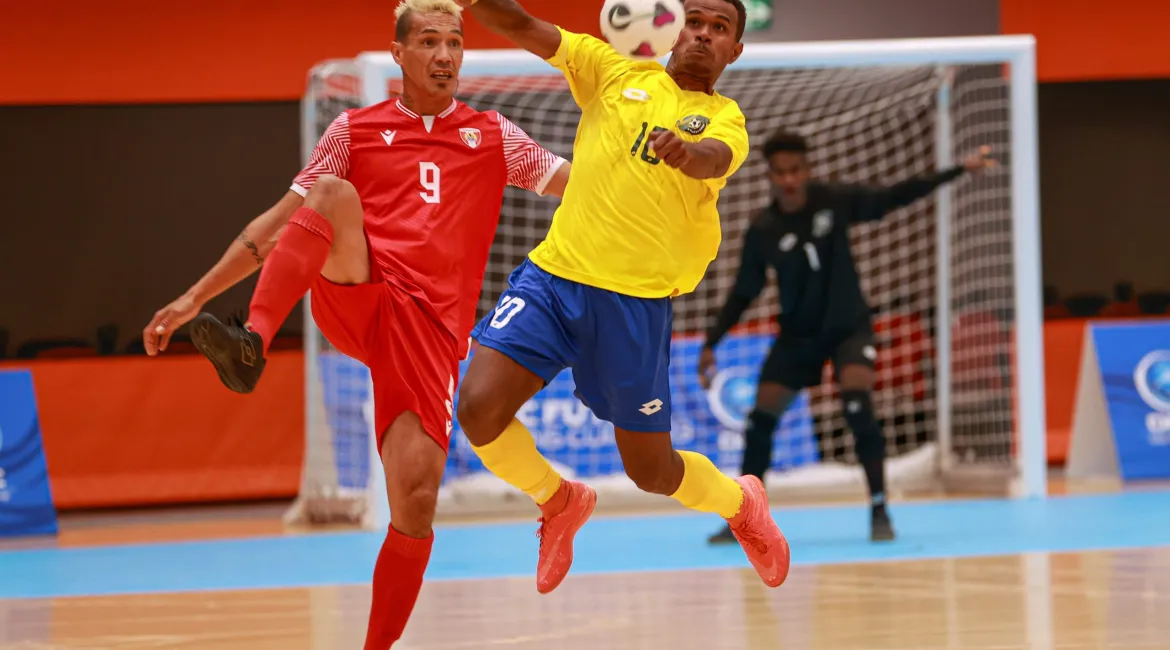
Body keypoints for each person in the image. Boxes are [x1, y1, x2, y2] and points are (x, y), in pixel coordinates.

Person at [142, 1, 569, 647]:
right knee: (332, 196)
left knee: (416, 504)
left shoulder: (494, 134)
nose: (445, 55)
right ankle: (253, 340)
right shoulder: (354, 130)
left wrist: (652, 168)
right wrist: (191, 296)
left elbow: (579, 185)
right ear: (398, 54)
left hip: (426, 335)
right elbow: (273, 225)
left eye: (454, 42)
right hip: (359, 295)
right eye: (428, 42)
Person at [449, 0, 790, 595]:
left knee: (652, 472)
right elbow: (525, 27)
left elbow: (718, 157)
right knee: (477, 408)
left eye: (719, 29)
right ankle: (558, 501)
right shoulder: (612, 70)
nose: (703, 35)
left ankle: (741, 504)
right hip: (555, 280)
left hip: (634, 306)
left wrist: (687, 154)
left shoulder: (723, 117)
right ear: (669, 27)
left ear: (734, 49)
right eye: (695, 21)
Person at [698, 129, 994, 544]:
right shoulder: (763, 228)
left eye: (796, 170)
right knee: (761, 420)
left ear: (807, 170)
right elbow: (744, 292)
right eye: (780, 172)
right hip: (798, 336)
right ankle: (744, 521)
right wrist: (712, 341)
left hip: (847, 328)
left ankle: (879, 508)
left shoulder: (833, 201)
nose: (789, 180)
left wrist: (957, 170)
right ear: (769, 175)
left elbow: (894, 196)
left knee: (858, 405)